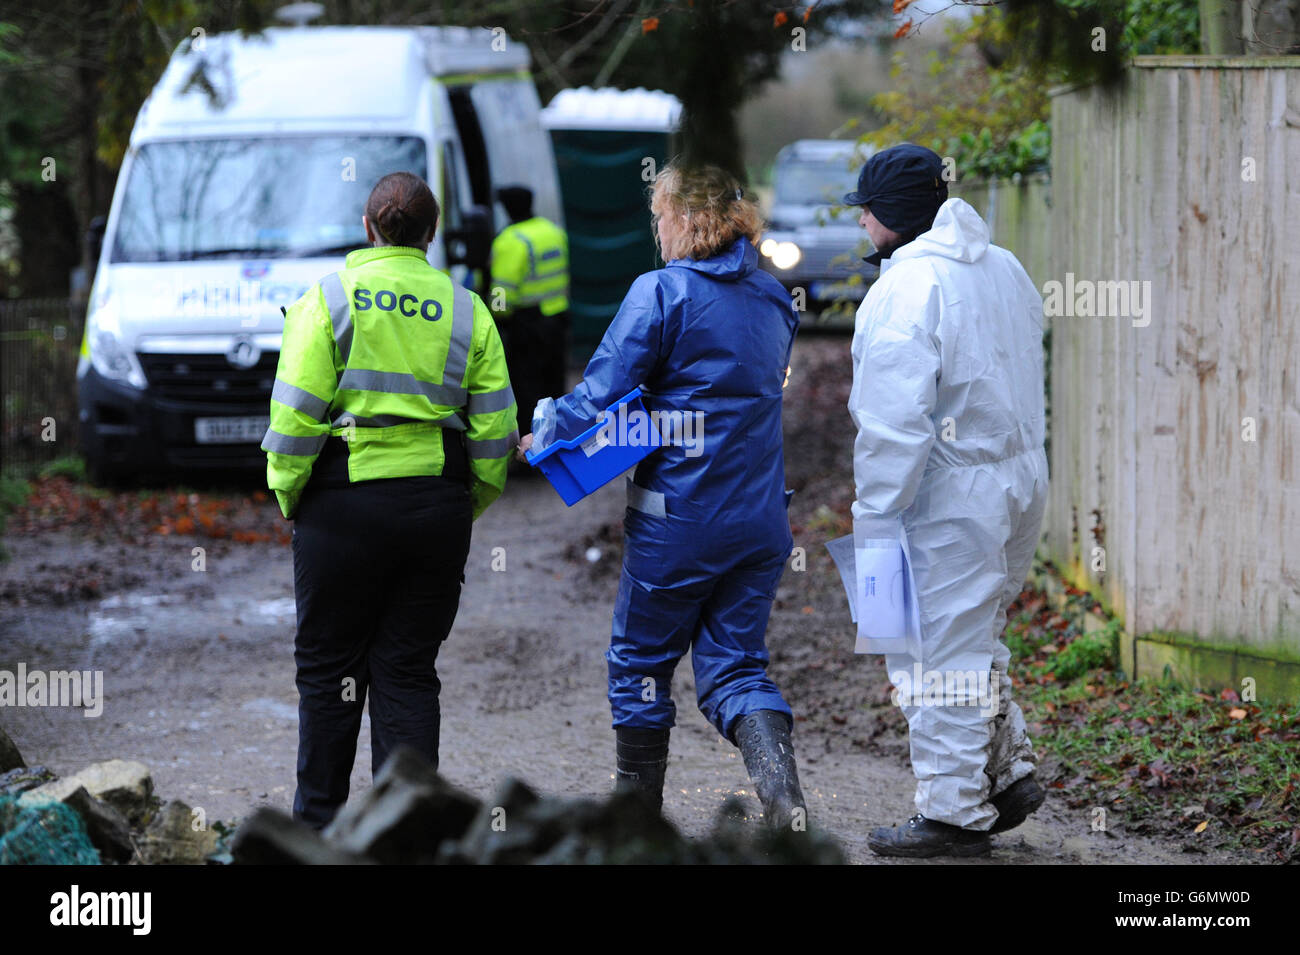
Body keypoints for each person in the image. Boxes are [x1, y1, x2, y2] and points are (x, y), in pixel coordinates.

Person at [518, 164, 807, 831]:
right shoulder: (773, 300)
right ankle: (784, 800)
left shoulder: (661, 293)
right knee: (736, 667)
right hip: (761, 520)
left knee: (641, 664)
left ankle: (638, 825)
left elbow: (598, 394)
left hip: (680, 519)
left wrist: (543, 429)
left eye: (660, 215)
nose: (657, 228)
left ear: (684, 218)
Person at [262, 171, 517, 829]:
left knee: (327, 672)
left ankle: (316, 830)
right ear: (431, 234)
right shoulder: (468, 309)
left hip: (340, 510)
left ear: (368, 226)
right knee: (406, 672)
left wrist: (291, 496)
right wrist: (467, 502)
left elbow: (292, 422)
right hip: (434, 509)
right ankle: (405, 836)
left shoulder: (326, 300)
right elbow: (496, 434)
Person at [843, 143, 1049, 857]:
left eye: (865, 211)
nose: (861, 225)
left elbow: (894, 426)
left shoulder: (905, 291)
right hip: (1018, 482)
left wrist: (873, 515)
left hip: (950, 496)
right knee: (974, 638)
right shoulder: (1004, 266)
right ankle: (1009, 769)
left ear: (888, 215)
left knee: (935, 654)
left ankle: (954, 816)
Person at [489, 185, 570, 438]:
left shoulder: (509, 241)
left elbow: (502, 295)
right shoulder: (554, 231)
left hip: (526, 327)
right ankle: (557, 443)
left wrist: (495, 316)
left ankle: (531, 452)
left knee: (527, 393)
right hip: (558, 319)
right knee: (554, 387)